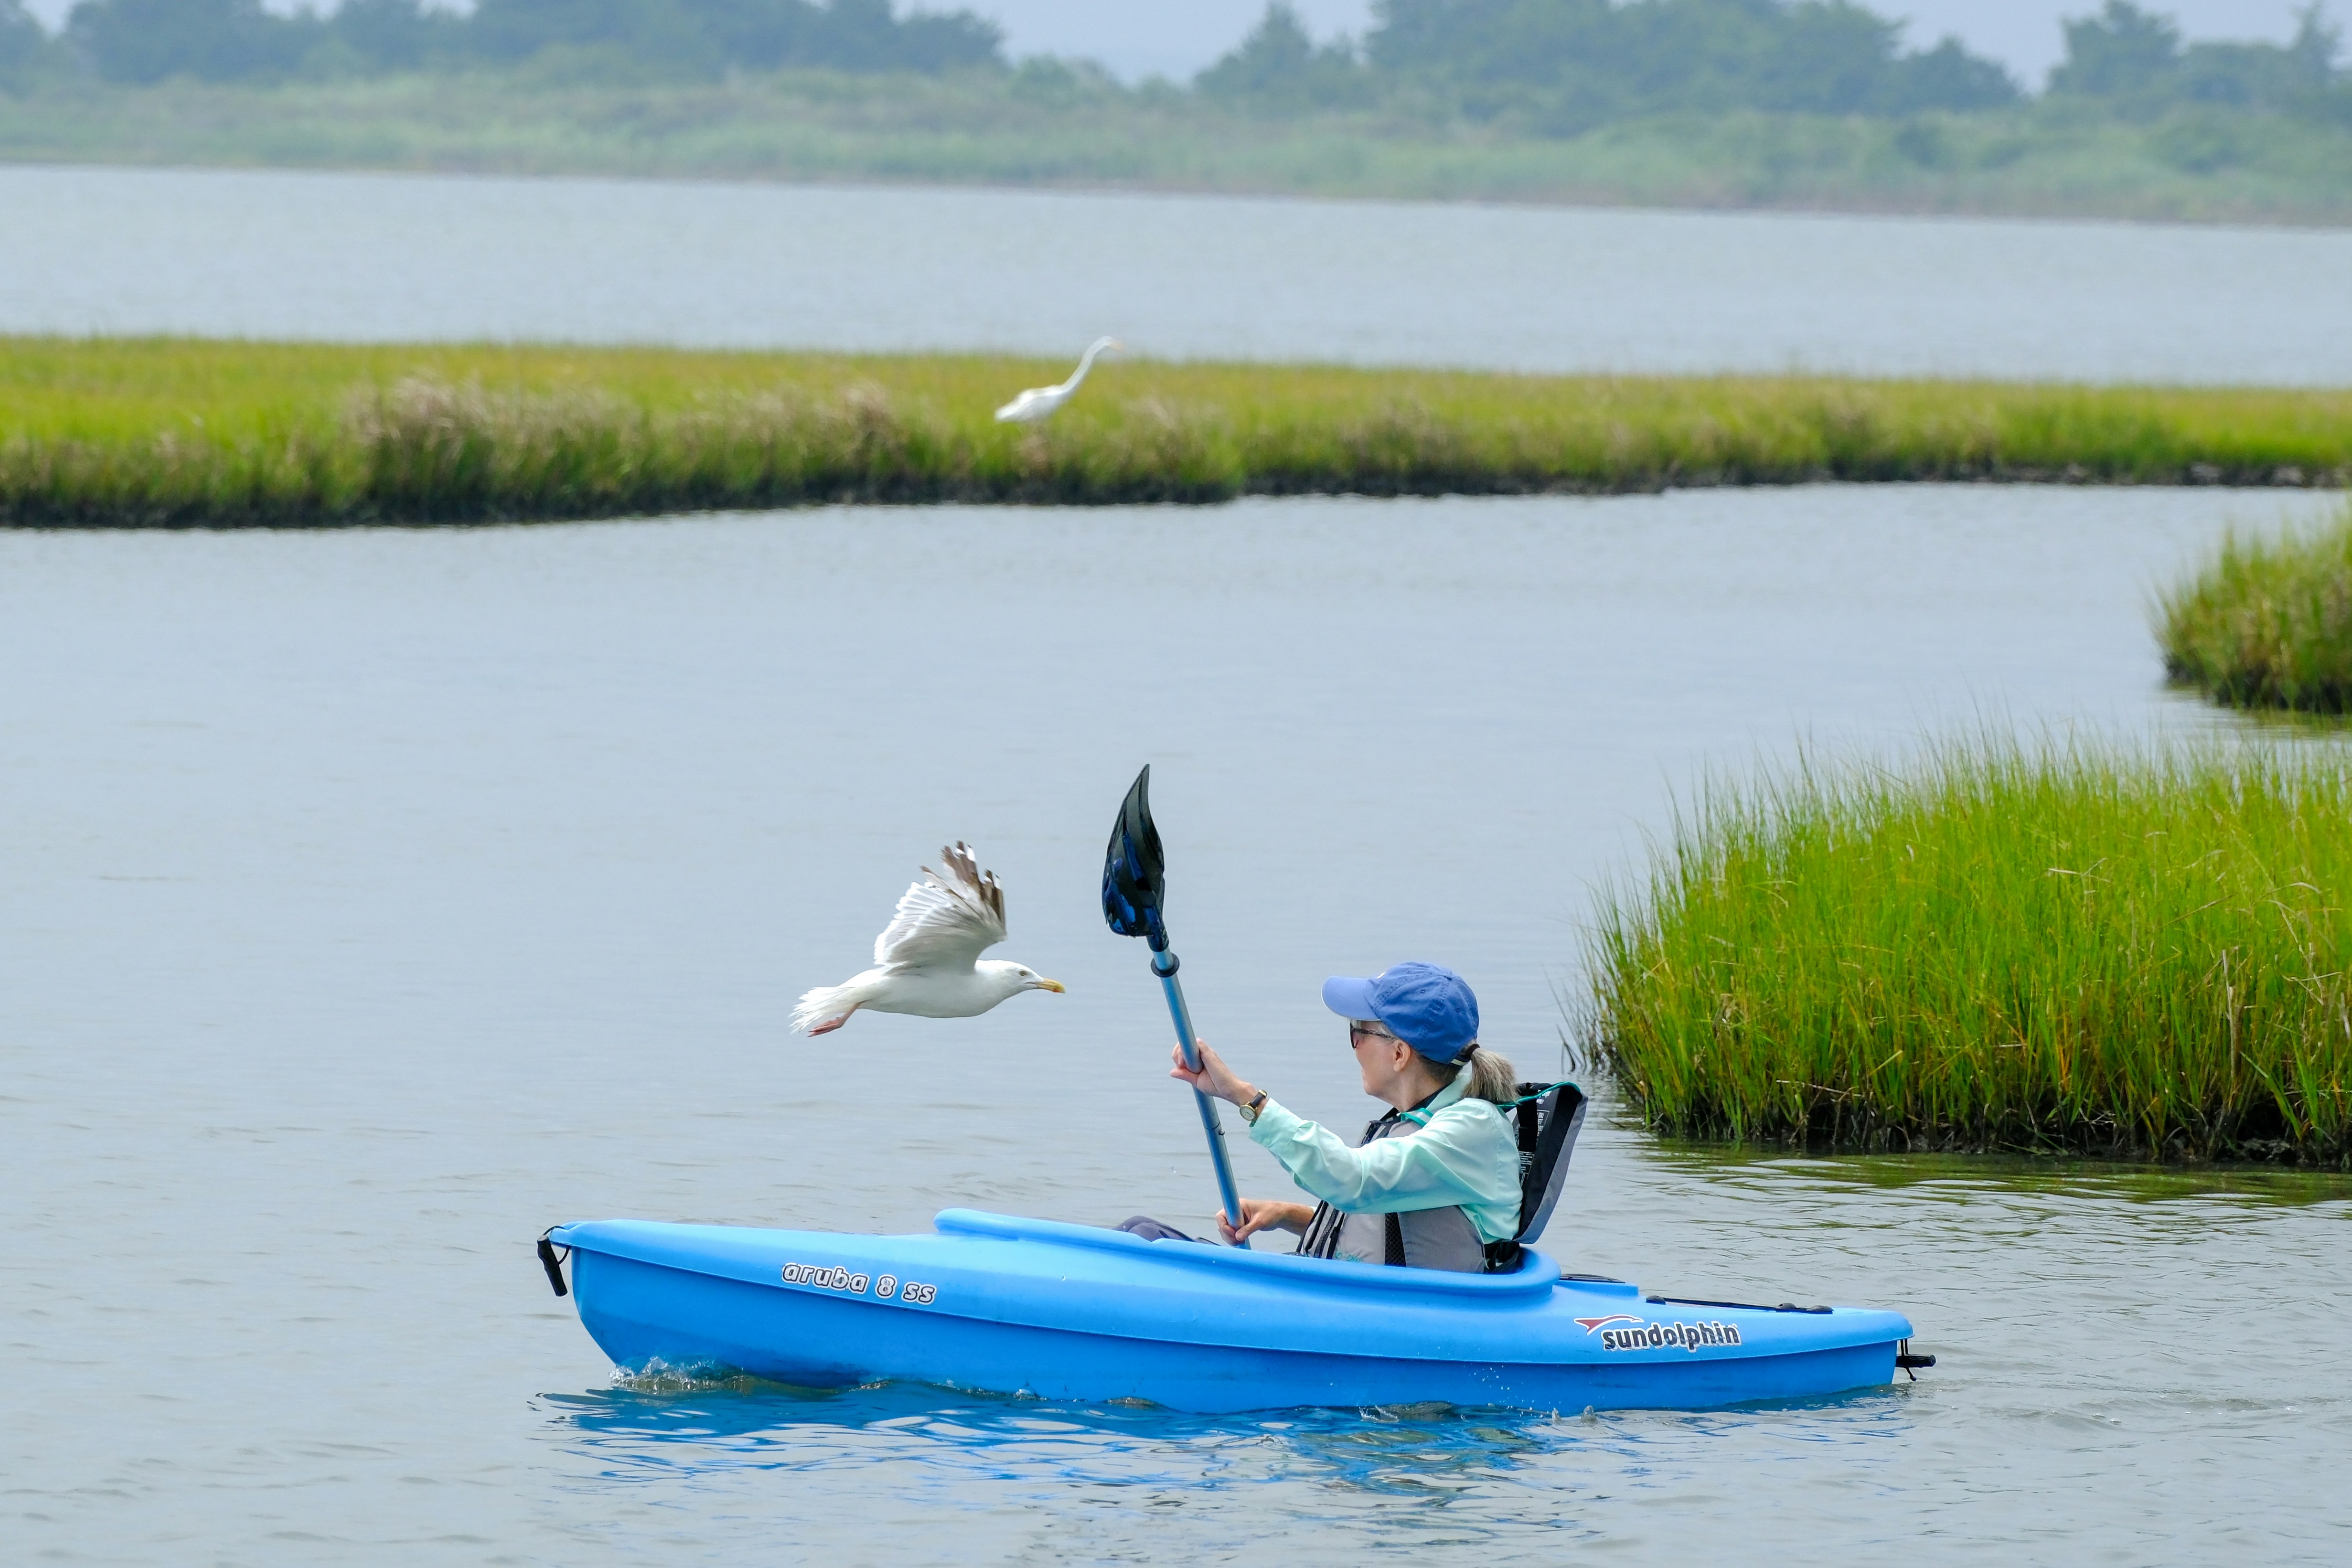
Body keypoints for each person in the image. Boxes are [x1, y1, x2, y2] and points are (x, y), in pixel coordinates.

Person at [1147, 961, 1523, 1273]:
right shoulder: (1431, 1117)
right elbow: (1381, 1230)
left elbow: (1353, 1179)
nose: (1354, 1045)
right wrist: (1287, 1215)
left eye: (1358, 1031)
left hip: (1407, 1316)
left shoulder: (1472, 1130)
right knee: (1147, 1235)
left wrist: (1246, 1098)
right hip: (1373, 1300)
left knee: (1145, 1238)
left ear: (1399, 1054)